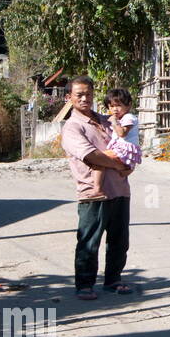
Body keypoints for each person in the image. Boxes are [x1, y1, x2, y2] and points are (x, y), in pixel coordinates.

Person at [59, 76, 135, 300]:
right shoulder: (72, 127)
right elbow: (91, 155)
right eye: (79, 94)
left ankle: (113, 280)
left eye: (88, 94)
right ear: (69, 97)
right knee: (89, 241)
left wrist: (129, 161)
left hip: (120, 189)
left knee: (120, 241)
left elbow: (128, 143)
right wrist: (117, 163)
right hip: (93, 193)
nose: (85, 98)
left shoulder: (108, 120)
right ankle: (84, 284)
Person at [92, 88, 141, 195]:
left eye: (118, 106)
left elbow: (122, 133)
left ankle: (97, 190)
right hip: (122, 149)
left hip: (124, 150)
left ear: (128, 105)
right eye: (111, 106)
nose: (115, 109)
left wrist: (114, 122)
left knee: (98, 161)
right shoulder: (121, 118)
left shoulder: (129, 117)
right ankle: (126, 168)